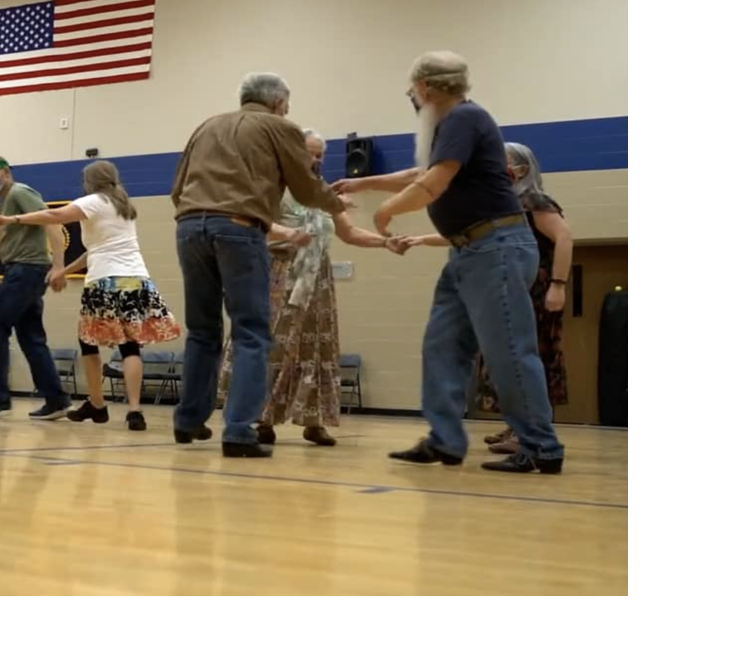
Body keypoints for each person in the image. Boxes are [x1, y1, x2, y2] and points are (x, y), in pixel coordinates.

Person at [339, 52, 566, 474]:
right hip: (468, 251)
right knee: (442, 345)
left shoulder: (463, 118)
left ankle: (540, 446)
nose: (411, 97)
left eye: (412, 90)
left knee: (509, 351)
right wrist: (363, 181)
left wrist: (385, 211)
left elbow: (432, 182)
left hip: (494, 247)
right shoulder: (455, 125)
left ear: (424, 87)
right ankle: (445, 438)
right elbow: (421, 172)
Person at [168, 71, 348, 457]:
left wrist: (198, 218)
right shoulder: (279, 127)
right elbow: (304, 186)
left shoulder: (206, 126)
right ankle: (238, 430)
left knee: (202, 330)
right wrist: (335, 203)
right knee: (251, 331)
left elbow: (176, 187)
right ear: (279, 103)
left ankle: (188, 421)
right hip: (238, 227)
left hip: (188, 227)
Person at [390, 141, 572, 455]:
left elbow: (564, 237)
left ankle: (534, 435)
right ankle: (517, 427)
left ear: (521, 169)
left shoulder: (533, 199)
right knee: (501, 357)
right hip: (505, 282)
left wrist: (558, 284)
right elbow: (464, 236)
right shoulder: (499, 204)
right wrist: (420, 238)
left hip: (533, 285)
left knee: (530, 354)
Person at [219, 128, 390, 447]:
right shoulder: (272, 187)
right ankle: (260, 418)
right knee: (273, 345)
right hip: (279, 272)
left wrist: (387, 242)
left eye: (320, 154)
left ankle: (314, 420)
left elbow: (349, 233)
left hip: (317, 279)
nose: (315, 159)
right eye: (309, 153)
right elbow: (256, 225)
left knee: (316, 347)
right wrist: (289, 234)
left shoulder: (323, 192)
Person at [2, 160, 179, 431]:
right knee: (130, 346)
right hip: (135, 279)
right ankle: (134, 411)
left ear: (90, 181)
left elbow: (54, 217)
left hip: (105, 281)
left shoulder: (94, 201)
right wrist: (64, 271)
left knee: (88, 342)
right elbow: (96, 250)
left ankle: (97, 404)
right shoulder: (124, 206)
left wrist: (14, 218)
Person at [0, 156, 71, 420]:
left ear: (6, 172)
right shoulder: (1, 205)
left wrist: (59, 266)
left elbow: (52, 222)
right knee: (31, 336)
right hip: (21, 270)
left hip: (26, 269)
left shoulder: (20, 192)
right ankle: (56, 399)